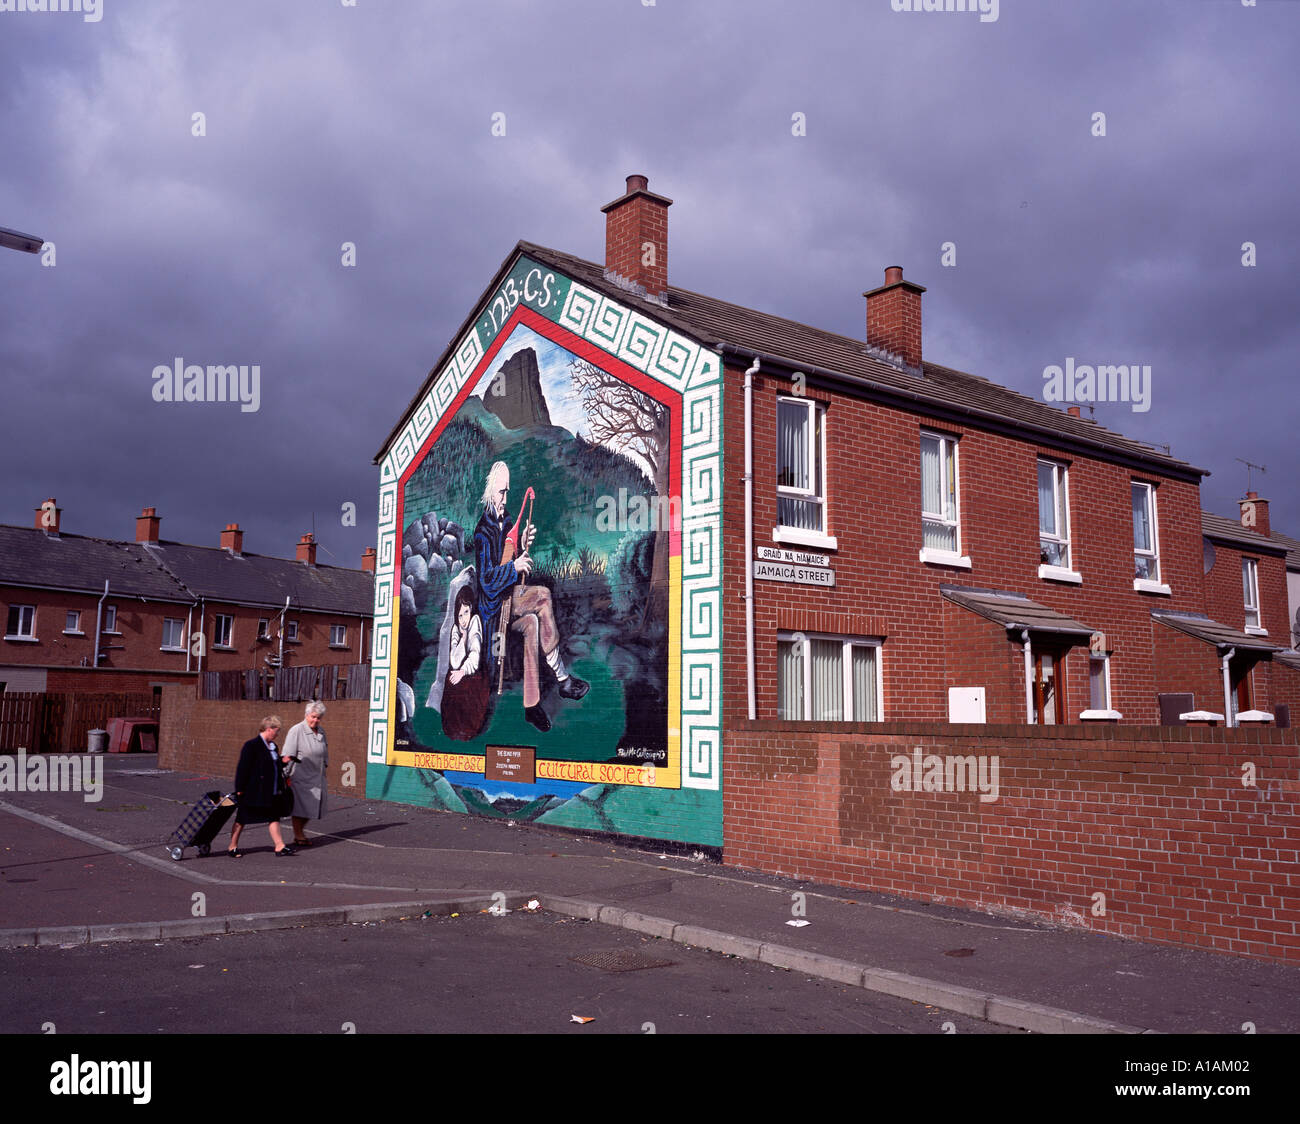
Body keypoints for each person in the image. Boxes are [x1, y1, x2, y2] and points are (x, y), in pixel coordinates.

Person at [474, 460, 588, 732]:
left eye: (507, 491)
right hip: (494, 609)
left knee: (533, 624)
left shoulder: (507, 520)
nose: (505, 498)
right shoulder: (482, 533)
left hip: (509, 600)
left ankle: (532, 705)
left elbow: (509, 551)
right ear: (490, 492)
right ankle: (563, 679)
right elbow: (486, 581)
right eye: (501, 492)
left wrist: (522, 542)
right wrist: (513, 567)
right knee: (544, 596)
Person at [228, 716, 295, 857]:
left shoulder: (273, 747)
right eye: (276, 731)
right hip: (253, 790)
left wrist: (283, 761)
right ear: (268, 729)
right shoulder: (251, 746)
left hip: (270, 791)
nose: (277, 734)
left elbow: (272, 766)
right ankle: (232, 846)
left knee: (273, 816)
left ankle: (279, 846)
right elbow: (243, 768)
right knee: (242, 818)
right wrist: (239, 788)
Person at [441, 585, 489, 740]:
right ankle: (454, 730)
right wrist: (463, 638)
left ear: (471, 609)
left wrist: (463, 672)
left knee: (465, 686)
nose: (463, 619)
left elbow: (475, 655)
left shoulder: (475, 621)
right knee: (451, 681)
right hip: (460, 670)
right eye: (460, 615)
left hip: (475, 674)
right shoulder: (456, 628)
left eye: (466, 612)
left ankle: (468, 729)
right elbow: (454, 661)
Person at [282, 701, 329, 847]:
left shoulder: (321, 731)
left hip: (317, 776)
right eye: (313, 716)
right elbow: (288, 754)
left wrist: (326, 763)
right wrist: (284, 775)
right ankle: (298, 835)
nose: (315, 720)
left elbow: (325, 749)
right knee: (301, 807)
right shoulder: (296, 730)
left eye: (318, 717)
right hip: (300, 775)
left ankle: (299, 832)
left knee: (314, 806)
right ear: (306, 715)